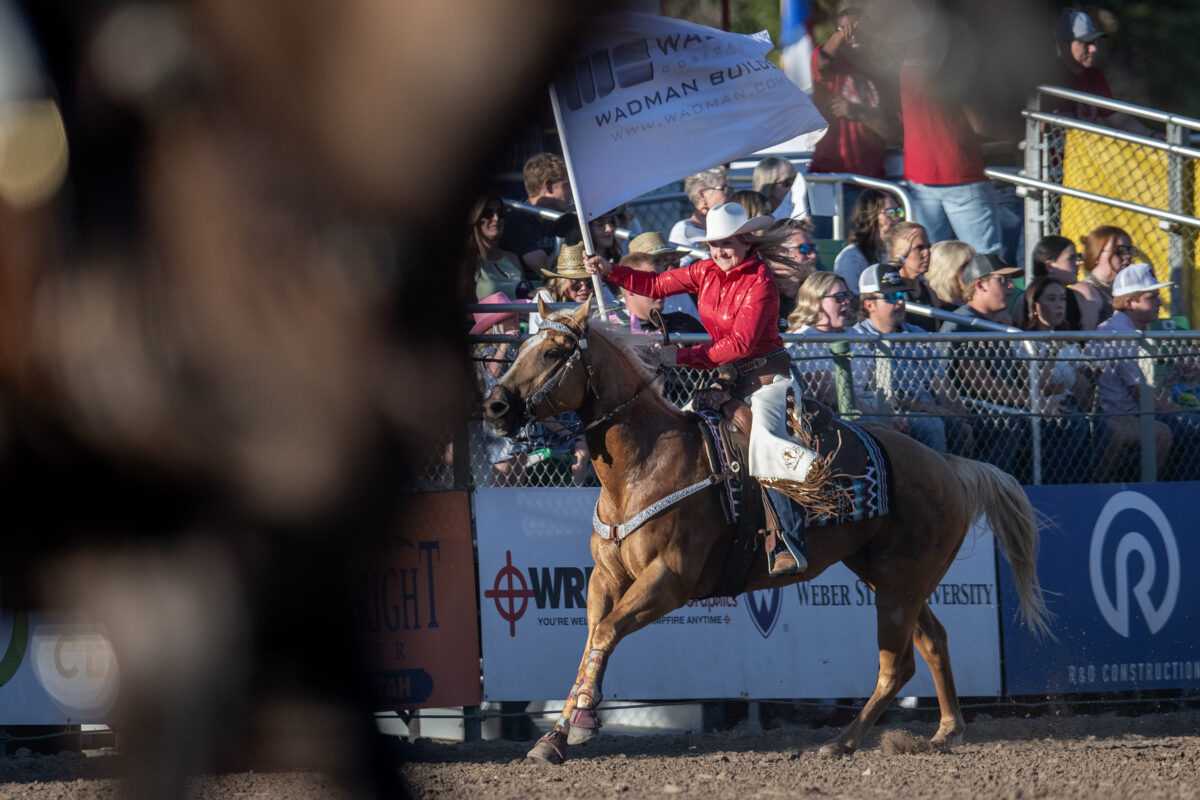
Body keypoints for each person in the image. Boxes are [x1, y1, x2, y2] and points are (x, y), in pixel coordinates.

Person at [585, 202, 809, 576]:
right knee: (679, 432)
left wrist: (679, 356)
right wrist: (611, 271)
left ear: (746, 241)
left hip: (769, 380)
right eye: (712, 244)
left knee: (768, 443)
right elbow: (655, 284)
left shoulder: (761, 283)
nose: (718, 252)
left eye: (726, 244)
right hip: (729, 378)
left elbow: (739, 344)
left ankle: (788, 538)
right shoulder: (705, 270)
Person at [897, 21, 1003, 257]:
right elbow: (980, 122)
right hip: (961, 170)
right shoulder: (961, 56)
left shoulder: (905, 51)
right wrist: (1017, 135)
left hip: (920, 172)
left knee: (928, 259)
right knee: (985, 259)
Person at [850, 265, 971, 455]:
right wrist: (928, 408)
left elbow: (942, 385)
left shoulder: (917, 334)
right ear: (869, 304)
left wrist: (963, 421)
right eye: (891, 297)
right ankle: (936, 484)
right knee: (933, 425)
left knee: (982, 426)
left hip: (929, 411)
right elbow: (874, 394)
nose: (899, 302)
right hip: (890, 413)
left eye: (901, 295)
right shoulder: (856, 338)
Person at [1093, 263, 1195, 481]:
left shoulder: (1125, 329)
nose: (1160, 302)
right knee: (1192, 427)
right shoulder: (1118, 333)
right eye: (1152, 297)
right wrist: (1182, 410)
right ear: (1129, 303)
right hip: (1121, 416)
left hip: (1134, 412)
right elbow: (1143, 395)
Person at [1021, 277, 1103, 482]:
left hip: (1071, 408)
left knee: (1100, 426)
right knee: (1074, 426)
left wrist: (1091, 378)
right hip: (1043, 412)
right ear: (1035, 306)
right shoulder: (1023, 342)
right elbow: (1033, 387)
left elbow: (1086, 401)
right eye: (1051, 299)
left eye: (1062, 299)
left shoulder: (1070, 346)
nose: (1059, 304)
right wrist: (1053, 352)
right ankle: (1053, 485)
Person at [808, 6, 896, 180]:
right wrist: (843, 34)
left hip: (871, 180)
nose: (853, 34)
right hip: (829, 177)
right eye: (846, 30)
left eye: (860, 29)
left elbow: (893, 133)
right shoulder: (829, 69)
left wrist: (859, 113)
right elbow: (823, 60)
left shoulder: (882, 75)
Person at [1053, 11, 1159, 137]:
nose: (1093, 49)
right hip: (1058, 156)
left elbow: (1116, 118)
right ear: (1065, 45)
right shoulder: (1050, 75)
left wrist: (1153, 135)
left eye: (1094, 42)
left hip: (1084, 154)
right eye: (1086, 43)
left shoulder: (1094, 76)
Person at [470, 293, 530, 486]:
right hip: (498, 415)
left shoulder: (515, 350)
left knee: (519, 467)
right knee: (503, 469)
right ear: (496, 327)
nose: (517, 324)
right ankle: (498, 507)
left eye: (517, 319)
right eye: (511, 320)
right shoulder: (487, 351)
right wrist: (504, 342)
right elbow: (494, 371)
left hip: (516, 415)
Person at [502, 152, 572, 276]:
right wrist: (570, 237)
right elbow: (544, 272)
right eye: (566, 185)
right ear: (548, 186)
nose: (571, 192)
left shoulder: (555, 215)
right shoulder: (518, 220)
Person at [834, 189, 902, 293]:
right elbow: (850, 297)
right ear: (870, 216)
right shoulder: (852, 256)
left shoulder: (900, 250)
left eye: (899, 212)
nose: (897, 218)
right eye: (890, 213)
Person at [1010, 235, 1084, 329]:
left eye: (1062, 298)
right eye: (1071, 258)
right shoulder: (1030, 297)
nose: (1078, 263)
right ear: (1049, 266)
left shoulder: (1072, 296)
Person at [883, 221, 946, 331]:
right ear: (899, 252)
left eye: (928, 247)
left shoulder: (930, 293)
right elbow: (882, 280)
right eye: (919, 248)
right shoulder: (889, 292)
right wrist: (898, 258)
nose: (926, 253)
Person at [468, 194, 533, 301]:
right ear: (476, 218)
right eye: (488, 213)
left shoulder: (512, 259)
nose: (496, 218)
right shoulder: (468, 264)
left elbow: (526, 297)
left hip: (521, 317)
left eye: (501, 213)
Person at [1074, 225, 1135, 329]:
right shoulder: (1085, 291)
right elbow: (1086, 339)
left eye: (1130, 250)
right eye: (1120, 250)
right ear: (1097, 253)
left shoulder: (1122, 289)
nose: (1127, 256)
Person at [767, 218, 820, 327]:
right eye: (805, 248)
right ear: (778, 251)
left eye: (814, 248)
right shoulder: (760, 294)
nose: (813, 255)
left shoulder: (817, 295)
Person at [669, 167, 734, 247]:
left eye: (731, 189)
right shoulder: (683, 230)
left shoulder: (728, 224)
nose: (731, 195)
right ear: (702, 195)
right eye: (725, 189)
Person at [753, 155, 810, 220]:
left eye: (795, 180)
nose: (795, 186)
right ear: (769, 186)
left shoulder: (800, 207)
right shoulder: (751, 217)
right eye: (787, 182)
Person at [926, 240, 975, 309]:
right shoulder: (939, 310)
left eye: (974, 264)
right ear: (945, 271)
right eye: (965, 266)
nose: (973, 270)